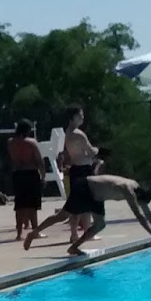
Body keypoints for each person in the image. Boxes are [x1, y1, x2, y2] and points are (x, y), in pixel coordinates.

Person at [23, 105, 101, 250]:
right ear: (73, 117)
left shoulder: (68, 132)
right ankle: (34, 232)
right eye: (80, 115)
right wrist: (97, 150)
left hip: (77, 172)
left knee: (78, 208)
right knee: (68, 212)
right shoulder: (79, 134)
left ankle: (77, 234)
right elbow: (90, 152)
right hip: (83, 172)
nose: (83, 117)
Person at [67, 174, 151, 253]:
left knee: (100, 225)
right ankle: (71, 245)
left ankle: (73, 248)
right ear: (137, 198)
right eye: (140, 203)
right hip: (87, 188)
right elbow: (139, 216)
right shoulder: (128, 190)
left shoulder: (138, 190)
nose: (140, 205)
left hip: (98, 196)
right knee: (62, 216)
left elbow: (148, 215)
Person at [7, 120, 44, 240]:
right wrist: (43, 176)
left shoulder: (10, 142)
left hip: (18, 174)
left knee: (20, 205)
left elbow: (13, 159)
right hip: (31, 173)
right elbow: (39, 161)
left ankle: (19, 233)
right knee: (32, 205)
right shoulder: (31, 143)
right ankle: (35, 231)